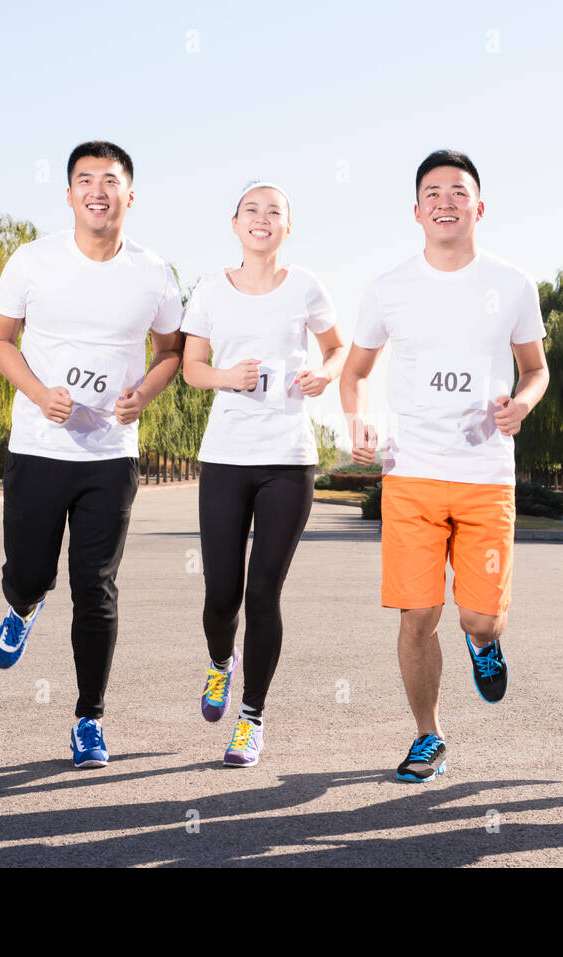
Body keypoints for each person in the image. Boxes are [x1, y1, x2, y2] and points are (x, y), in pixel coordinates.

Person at [340, 149, 549, 783]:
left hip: (487, 474)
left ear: (478, 207)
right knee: (418, 615)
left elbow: (536, 368)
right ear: (416, 211)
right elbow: (353, 373)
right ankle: (428, 736)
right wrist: (357, 420)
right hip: (411, 473)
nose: (445, 201)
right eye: (433, 193)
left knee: (478, 617)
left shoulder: (512, 284)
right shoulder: (388, 288)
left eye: (457, 192)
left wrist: (522, 405)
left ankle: (484, 645)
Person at [0, 141, 183, 769]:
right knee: (30, 572)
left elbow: (173, 351)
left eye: (111, 180)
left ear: (130, 193)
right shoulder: (33, 260)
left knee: (95, 587)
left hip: (110, 456)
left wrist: (143, 395)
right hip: (39, 448)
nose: (98, 190)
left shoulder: (153, 272)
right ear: (69, 194)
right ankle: (22, 604)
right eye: (85, 180)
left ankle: (89, 718)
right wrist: (39, 394)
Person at [180, 181, 345, 767]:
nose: (262, 219)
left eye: (274, 212)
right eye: (252, 210)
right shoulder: (209, 290)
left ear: (287, 227)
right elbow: (191, 368)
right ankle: (220, 663)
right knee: (221, 594)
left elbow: (338, 349)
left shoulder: (306, 286)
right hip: (225, 456)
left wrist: (327, 374)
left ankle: (251, 718)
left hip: (289, 459)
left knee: (263, 592)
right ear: (234, 223)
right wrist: (228, 378)